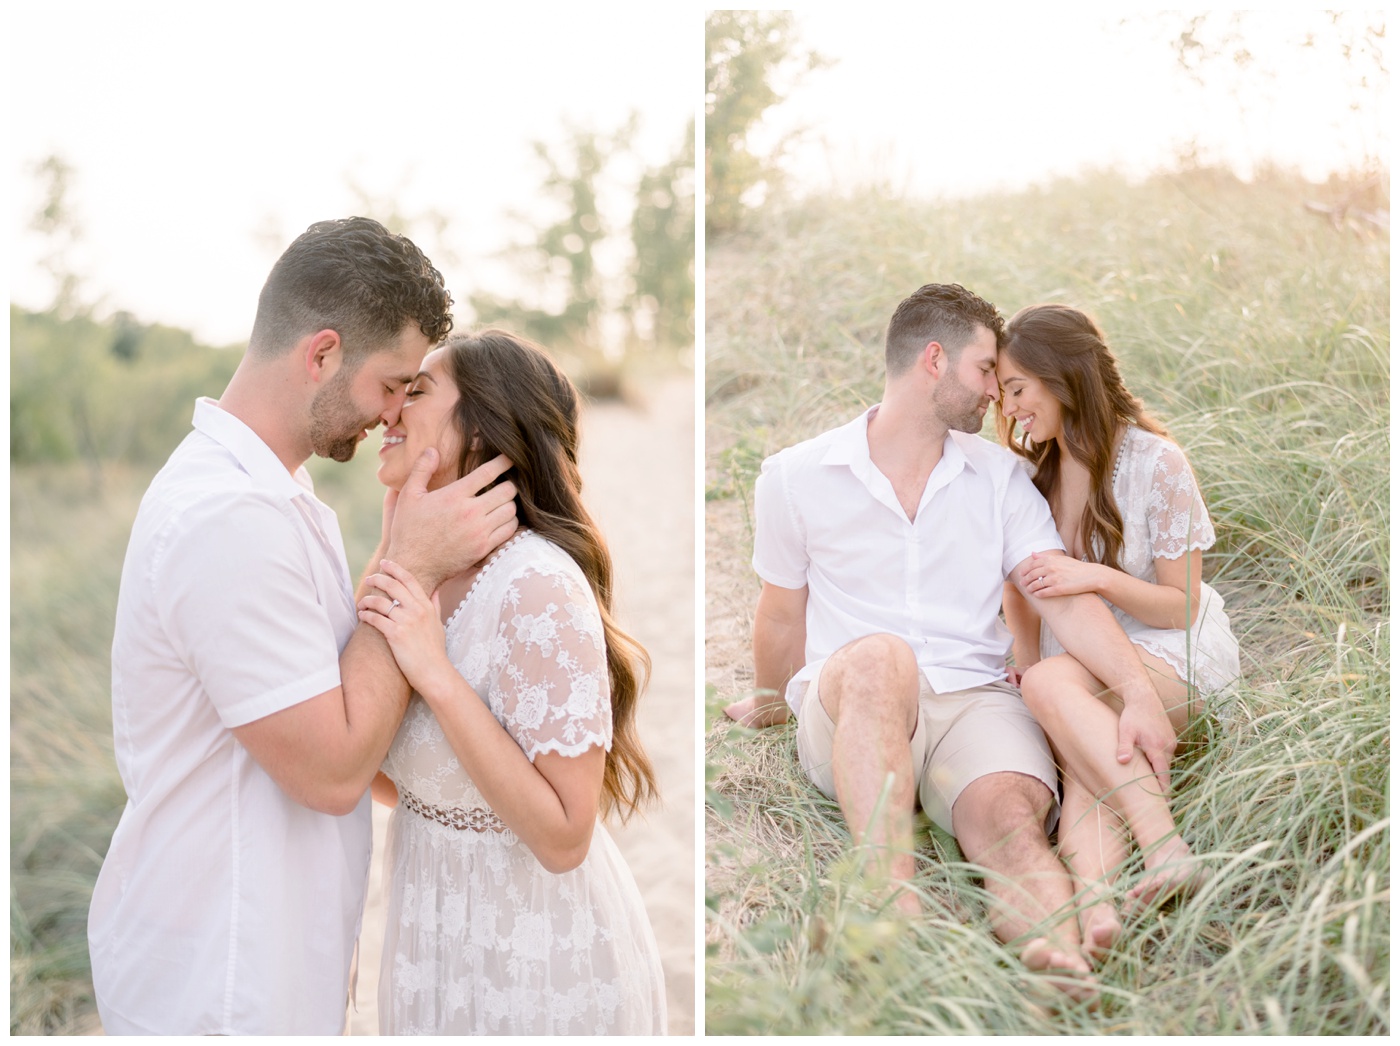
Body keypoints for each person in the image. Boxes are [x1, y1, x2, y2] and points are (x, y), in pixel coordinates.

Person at [88, 218, 520, 1035]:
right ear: (322, 354)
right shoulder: (229, 518)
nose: (396, 414)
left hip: (263, 953)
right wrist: (415, 565)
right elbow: (330, 772)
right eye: (394, 383)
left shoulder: (276, 496)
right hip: (219, 974)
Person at [723, 283, 1177, 1001]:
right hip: (857, 704)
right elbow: (779, 614)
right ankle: (888, 913)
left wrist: (1137, 692)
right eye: (985, 368)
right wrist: (770, 698)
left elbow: (1060, 594)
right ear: (934, 360)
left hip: (975, 703)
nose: (997, 391)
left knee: (1011, 819)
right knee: (882, 655)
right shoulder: (795, 477)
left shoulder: (999, 478)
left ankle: (1058, 954)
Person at [356, 329, 667, 1034]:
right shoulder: (420, 573)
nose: (392, 411)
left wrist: (434, 672)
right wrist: (392, 556)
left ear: (483, 428)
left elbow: (564, 837)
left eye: (420, 391)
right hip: (433, 944)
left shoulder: (535, 587)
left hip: (537, 960)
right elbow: (379, 776)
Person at [997, 302, 1240, 960]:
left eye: (1017, 389)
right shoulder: (1033, 478)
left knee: (1070, 716)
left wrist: (1096, 578)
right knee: (1078, 742)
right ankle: (1100, 910)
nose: (1011, 409)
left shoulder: (1156, 464)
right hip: (1082, 656)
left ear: (1062, 375)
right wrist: (1022, 657)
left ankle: (1162, 846)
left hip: (1169, 646)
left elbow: (1182, 605)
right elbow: (1019, 589)